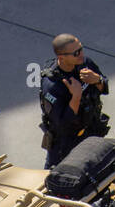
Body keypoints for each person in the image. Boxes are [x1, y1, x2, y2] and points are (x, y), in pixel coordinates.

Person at [39, 34, 110, 169]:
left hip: (91, 130)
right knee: (59, 175)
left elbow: (104, 87)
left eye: (81, 48)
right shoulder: (52, 85)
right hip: (67, 144)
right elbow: (63, 124)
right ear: (61, 57)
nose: (81, 54)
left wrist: (97, 80)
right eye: (76, 53)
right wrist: (76, 97)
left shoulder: (85, 63)